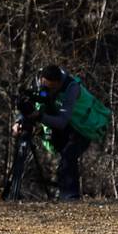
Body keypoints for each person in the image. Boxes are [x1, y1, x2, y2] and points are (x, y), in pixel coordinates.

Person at [13, 64, 110, 200]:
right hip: (61, 129)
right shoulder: (37, 82)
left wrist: (38, 116)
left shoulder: (72, 89)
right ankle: (13, 194)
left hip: (81, 129)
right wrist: (20, 120)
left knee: (68, 157)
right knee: (63, 159)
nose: (48, 91)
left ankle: (70, 198)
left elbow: (62, 121)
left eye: (51, 88)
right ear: (41, 79)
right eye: (44, 87)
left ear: (59, 83)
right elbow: (28, 102)